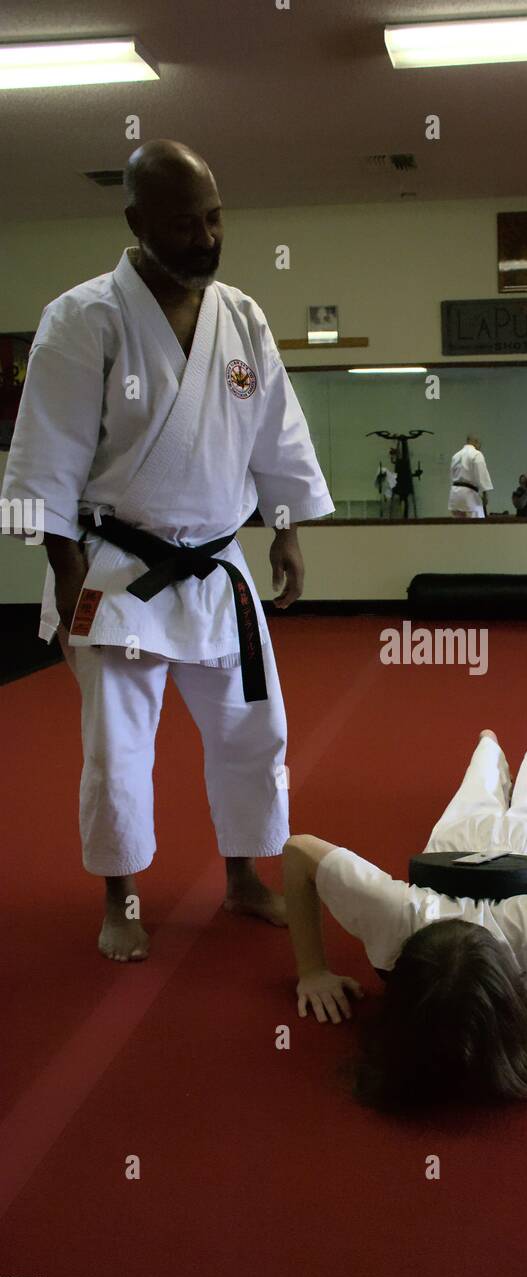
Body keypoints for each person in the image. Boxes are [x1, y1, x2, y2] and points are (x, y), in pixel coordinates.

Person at [0, 139, 334, 963]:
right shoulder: (84, 318)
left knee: (254, 731)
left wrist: (285, 526)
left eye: (214, 217)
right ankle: (122, 896)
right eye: (184, 223)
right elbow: (44, 456)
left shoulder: (243, 317)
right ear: (136, 223)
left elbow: (276, 435)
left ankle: (244, 876)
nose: (205, 236)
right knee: (117, 747)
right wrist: (67, 581)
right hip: (115, 574)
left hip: (218, 567)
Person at [282, 731, 527, 1110]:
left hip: (502, 841)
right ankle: (494, 741)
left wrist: (314, 971)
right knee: (486, 763)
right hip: (499, 843)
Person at [449, 435, 492, 518]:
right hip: (469, 495)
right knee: (476, 524)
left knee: (458, 524)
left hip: (454, 493)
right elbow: (482, 475)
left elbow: (451, 476)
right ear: (476, 442)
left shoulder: (456, 456)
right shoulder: (476, 454)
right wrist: (485, 494)